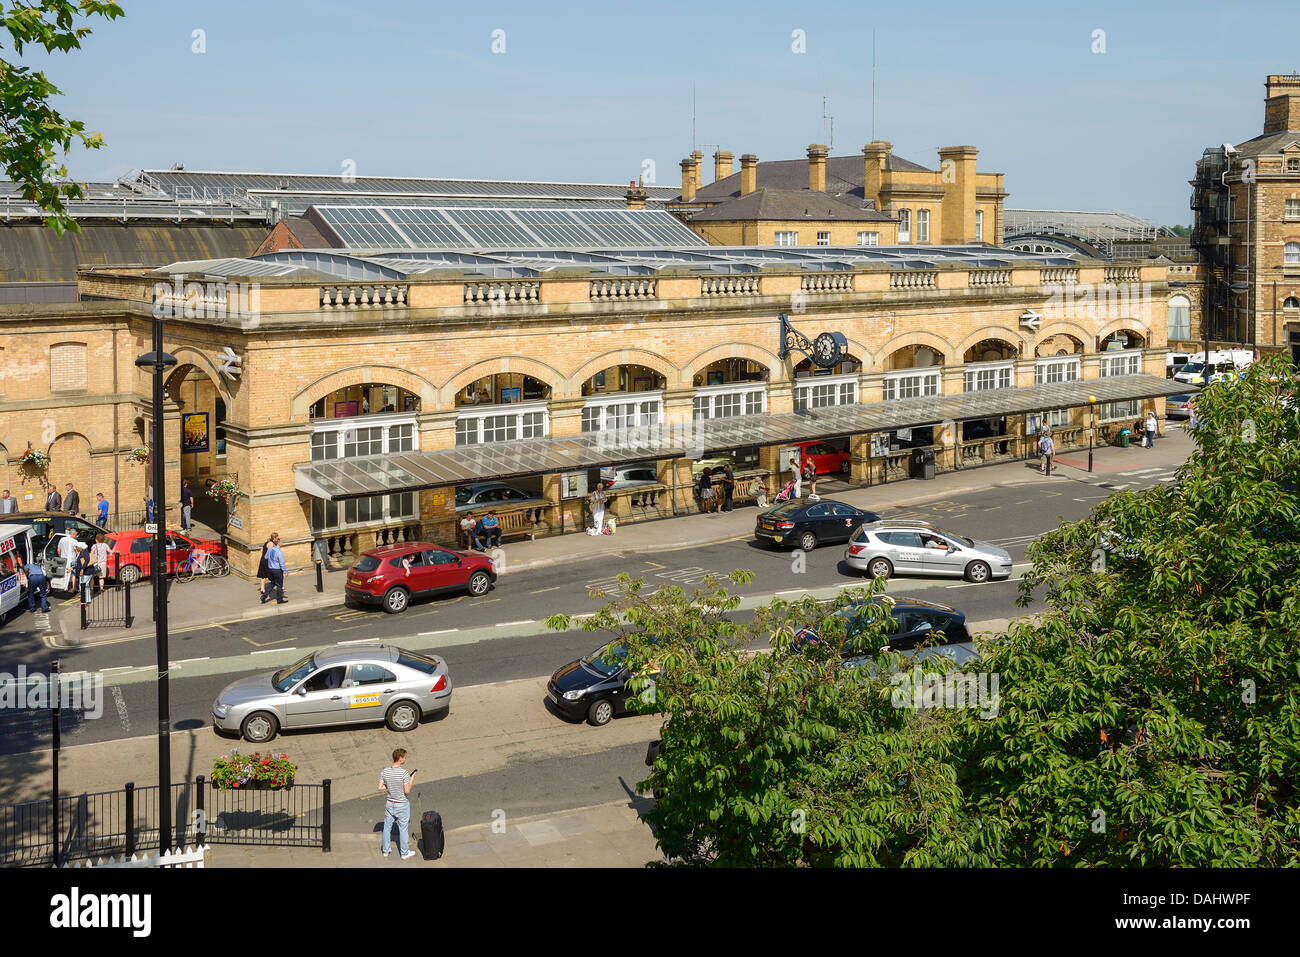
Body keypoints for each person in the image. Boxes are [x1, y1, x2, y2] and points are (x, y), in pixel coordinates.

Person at [377, 747, 417, 860]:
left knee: (387, 827)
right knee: (403, 828)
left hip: (390, 803)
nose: (405, 759)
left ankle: (385, 850)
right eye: (404, 757)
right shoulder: (404, 773)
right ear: (400, 758)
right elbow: (407, 790)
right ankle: (404, 853)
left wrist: (390, 785)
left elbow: (379, 787)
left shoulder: (385, 771)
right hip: (402, 804)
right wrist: (412, 778)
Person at [265, 532, 286, 604]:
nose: (282, 543)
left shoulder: (270, 549)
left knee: (272, 583)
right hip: (277, 570)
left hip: (270, 570)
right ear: (279, 543)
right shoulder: (279, 552)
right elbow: (282, 563)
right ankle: (279, 600)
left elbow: (266, 557)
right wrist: (285, 571)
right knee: (279, 585)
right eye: (281, 542)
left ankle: (264, 596)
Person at [257, 536, 272, 603]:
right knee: (272, 575)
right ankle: (279, 586)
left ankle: (262, 589)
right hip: (267, 561)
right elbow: (270, 553)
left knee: (263, 575)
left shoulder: (265, 543)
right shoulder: (270, 544)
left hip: (262, 560)